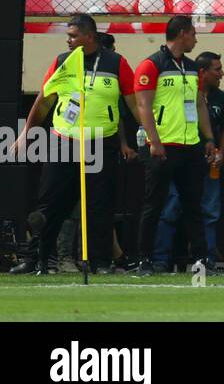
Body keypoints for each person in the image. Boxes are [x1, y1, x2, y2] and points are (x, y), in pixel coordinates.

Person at [11, 15, 134, 274]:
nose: (68, 40)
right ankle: (37, 259)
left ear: (90, 37)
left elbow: (133, 104)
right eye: (68, 36)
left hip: (101, 144)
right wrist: (26, 133)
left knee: (100, 204)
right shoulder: (61, 62)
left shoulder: (116, 63)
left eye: (73, 35)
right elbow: (44, 101)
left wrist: (147, 132)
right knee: (49, 205)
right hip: (63, 142)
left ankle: (101, 262)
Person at [132, 15, 217, 276]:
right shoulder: (150, 65)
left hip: (190, 146)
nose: (195, 39)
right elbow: (143, 105)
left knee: (194, 206)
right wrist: (154, 142)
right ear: (182, 34)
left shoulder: (192, 68)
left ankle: (201, 261)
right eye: (193, 33)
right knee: (153, 205)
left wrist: (209, 138)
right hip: (161, 147)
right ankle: (145, 260)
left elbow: (200, 104)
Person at [153, 51, 224, 271]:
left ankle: (206, 261)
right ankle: (160, 260)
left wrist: (219, 151)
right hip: (181, 156)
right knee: (170, 210)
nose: (221, 74)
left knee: (209, 212)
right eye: (217, 69)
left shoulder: (219, 97)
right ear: (202, 72)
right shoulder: (180, 91)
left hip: (208, 161)